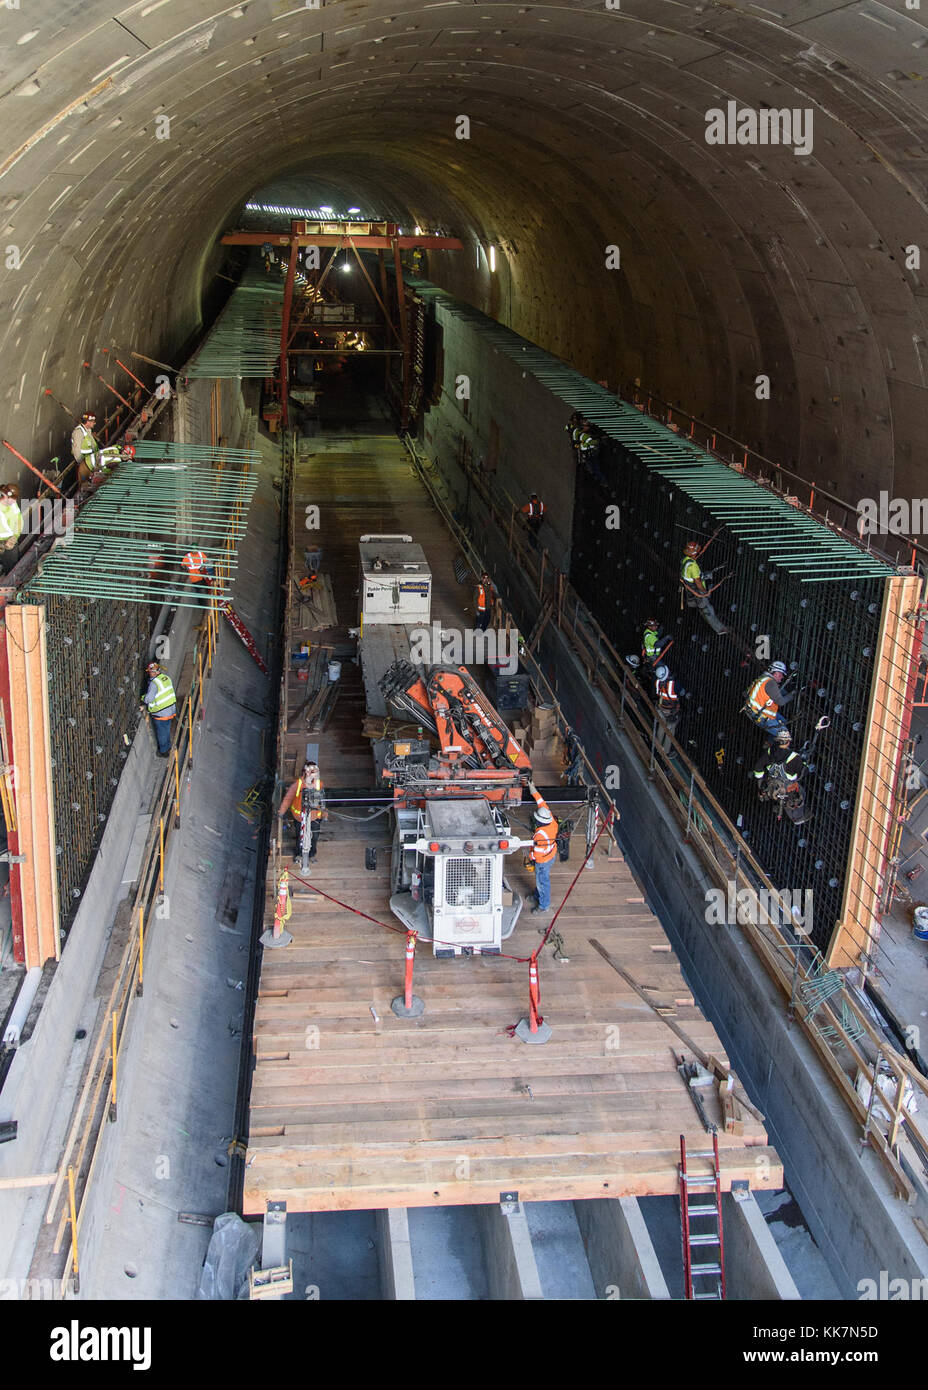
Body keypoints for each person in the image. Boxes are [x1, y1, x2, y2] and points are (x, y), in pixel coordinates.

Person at [278, 761, 326, 864]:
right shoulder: (298, 784)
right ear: (305, 772)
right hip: (300, 818)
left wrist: (324, 815)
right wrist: (281, 812)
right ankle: (298, 854)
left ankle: (312, 855)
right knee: (301, 837)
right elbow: (288, 799)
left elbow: (323, 801)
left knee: (315, 837)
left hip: (314, 818)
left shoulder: (319, 784)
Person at [681, 540, 727, 634]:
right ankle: (720, 629)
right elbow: (698, 582)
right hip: (697, 591)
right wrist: (705, 592)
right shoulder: (693, 566)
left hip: (690, 589)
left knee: (703, 608)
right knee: (707, 610)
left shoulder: (685, 560)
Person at [528, 782, 558, 915]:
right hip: (552, 854)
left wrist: (530, 857)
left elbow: (538, 855)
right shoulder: (551, 819)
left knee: (543, 881)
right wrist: (533, 790)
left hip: (543, 860)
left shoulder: (540, 835)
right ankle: (538, 894)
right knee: (541, 879)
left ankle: (543, 905)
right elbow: (541, 803)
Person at [745, 661, 794, 736]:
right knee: (785, 736)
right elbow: (781, 701)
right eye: (781, 674)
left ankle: (772, 741)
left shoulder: (763, 678)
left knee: (783, 721)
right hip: (761, 716)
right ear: (776, 672)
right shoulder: (770, 683)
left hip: (754, 711)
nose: (782, 677)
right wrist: (792, 695)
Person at [140, 660, 176, 757]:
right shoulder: (166, 678)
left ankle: (163, 751)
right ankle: (168, 746)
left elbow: (149, 698)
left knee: (162, 733)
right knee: (166, 729)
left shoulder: (154, 683)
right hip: (171, 709)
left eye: (150, 672)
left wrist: (142, 697)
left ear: (156, 672)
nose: (149, 674)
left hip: (161, 713)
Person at [654, 664, 681, 752]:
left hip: (661, 708)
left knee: (661, 727)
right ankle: (665, 752)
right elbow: (680, 691)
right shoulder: (674, 684)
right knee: (669, 730)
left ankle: (657, 748)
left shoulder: (658, 682)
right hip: (670, 711)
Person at [0, 485, 23, 574]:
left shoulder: (13, 504)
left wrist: (14, 537)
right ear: (5, 496)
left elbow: (19, 520)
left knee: (13, 568)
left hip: (10, 542)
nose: (14, 501)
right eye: (12, 499)